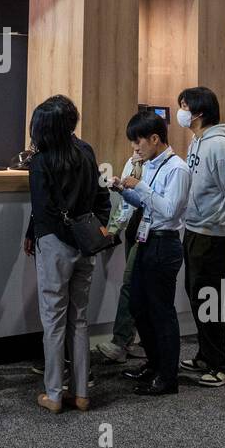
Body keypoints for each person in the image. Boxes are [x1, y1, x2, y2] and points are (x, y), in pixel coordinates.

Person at [24, 95, 109, 413]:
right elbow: (101, 195)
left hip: (55, 246)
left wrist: (37, 235)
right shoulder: (86, 151)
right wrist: (88, 233)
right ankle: (82, 392)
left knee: (54, 321)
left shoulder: (41, 161)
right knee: (80, 319)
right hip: (85, 245)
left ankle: (54, 394)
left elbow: (42, 209)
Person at [112, 110, 190, 397]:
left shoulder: (177, 168)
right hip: (146, 240)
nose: (135, 148)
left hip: (164, 243)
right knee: (138, 307)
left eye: (138, 142)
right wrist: (125, 190)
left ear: (155, 139)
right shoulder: (153, 164)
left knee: (162, 312)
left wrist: (140, 187)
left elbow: (169, 210)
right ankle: (154, 363)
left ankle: (168, 376)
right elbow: (147, 204)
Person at [178, 86, 225, 388]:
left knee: (207, 298)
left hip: (213, 232)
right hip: (194, 227)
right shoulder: (198, 141)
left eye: (184, 106)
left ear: (199, 112)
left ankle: (221, 365)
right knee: (195, 294)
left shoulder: (220, 146)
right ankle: (205, 354)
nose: (181, 111)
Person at [97, 145, 146, 364]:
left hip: (153, 231)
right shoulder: (132, 163)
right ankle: (134, 341)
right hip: (134, 229)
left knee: (131, 283)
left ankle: (121, 341)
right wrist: (113, 229)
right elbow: (127, 204)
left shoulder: (168, 166)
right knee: (136, 286)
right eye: (133, 142)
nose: (136, 147)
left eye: (140, 141)